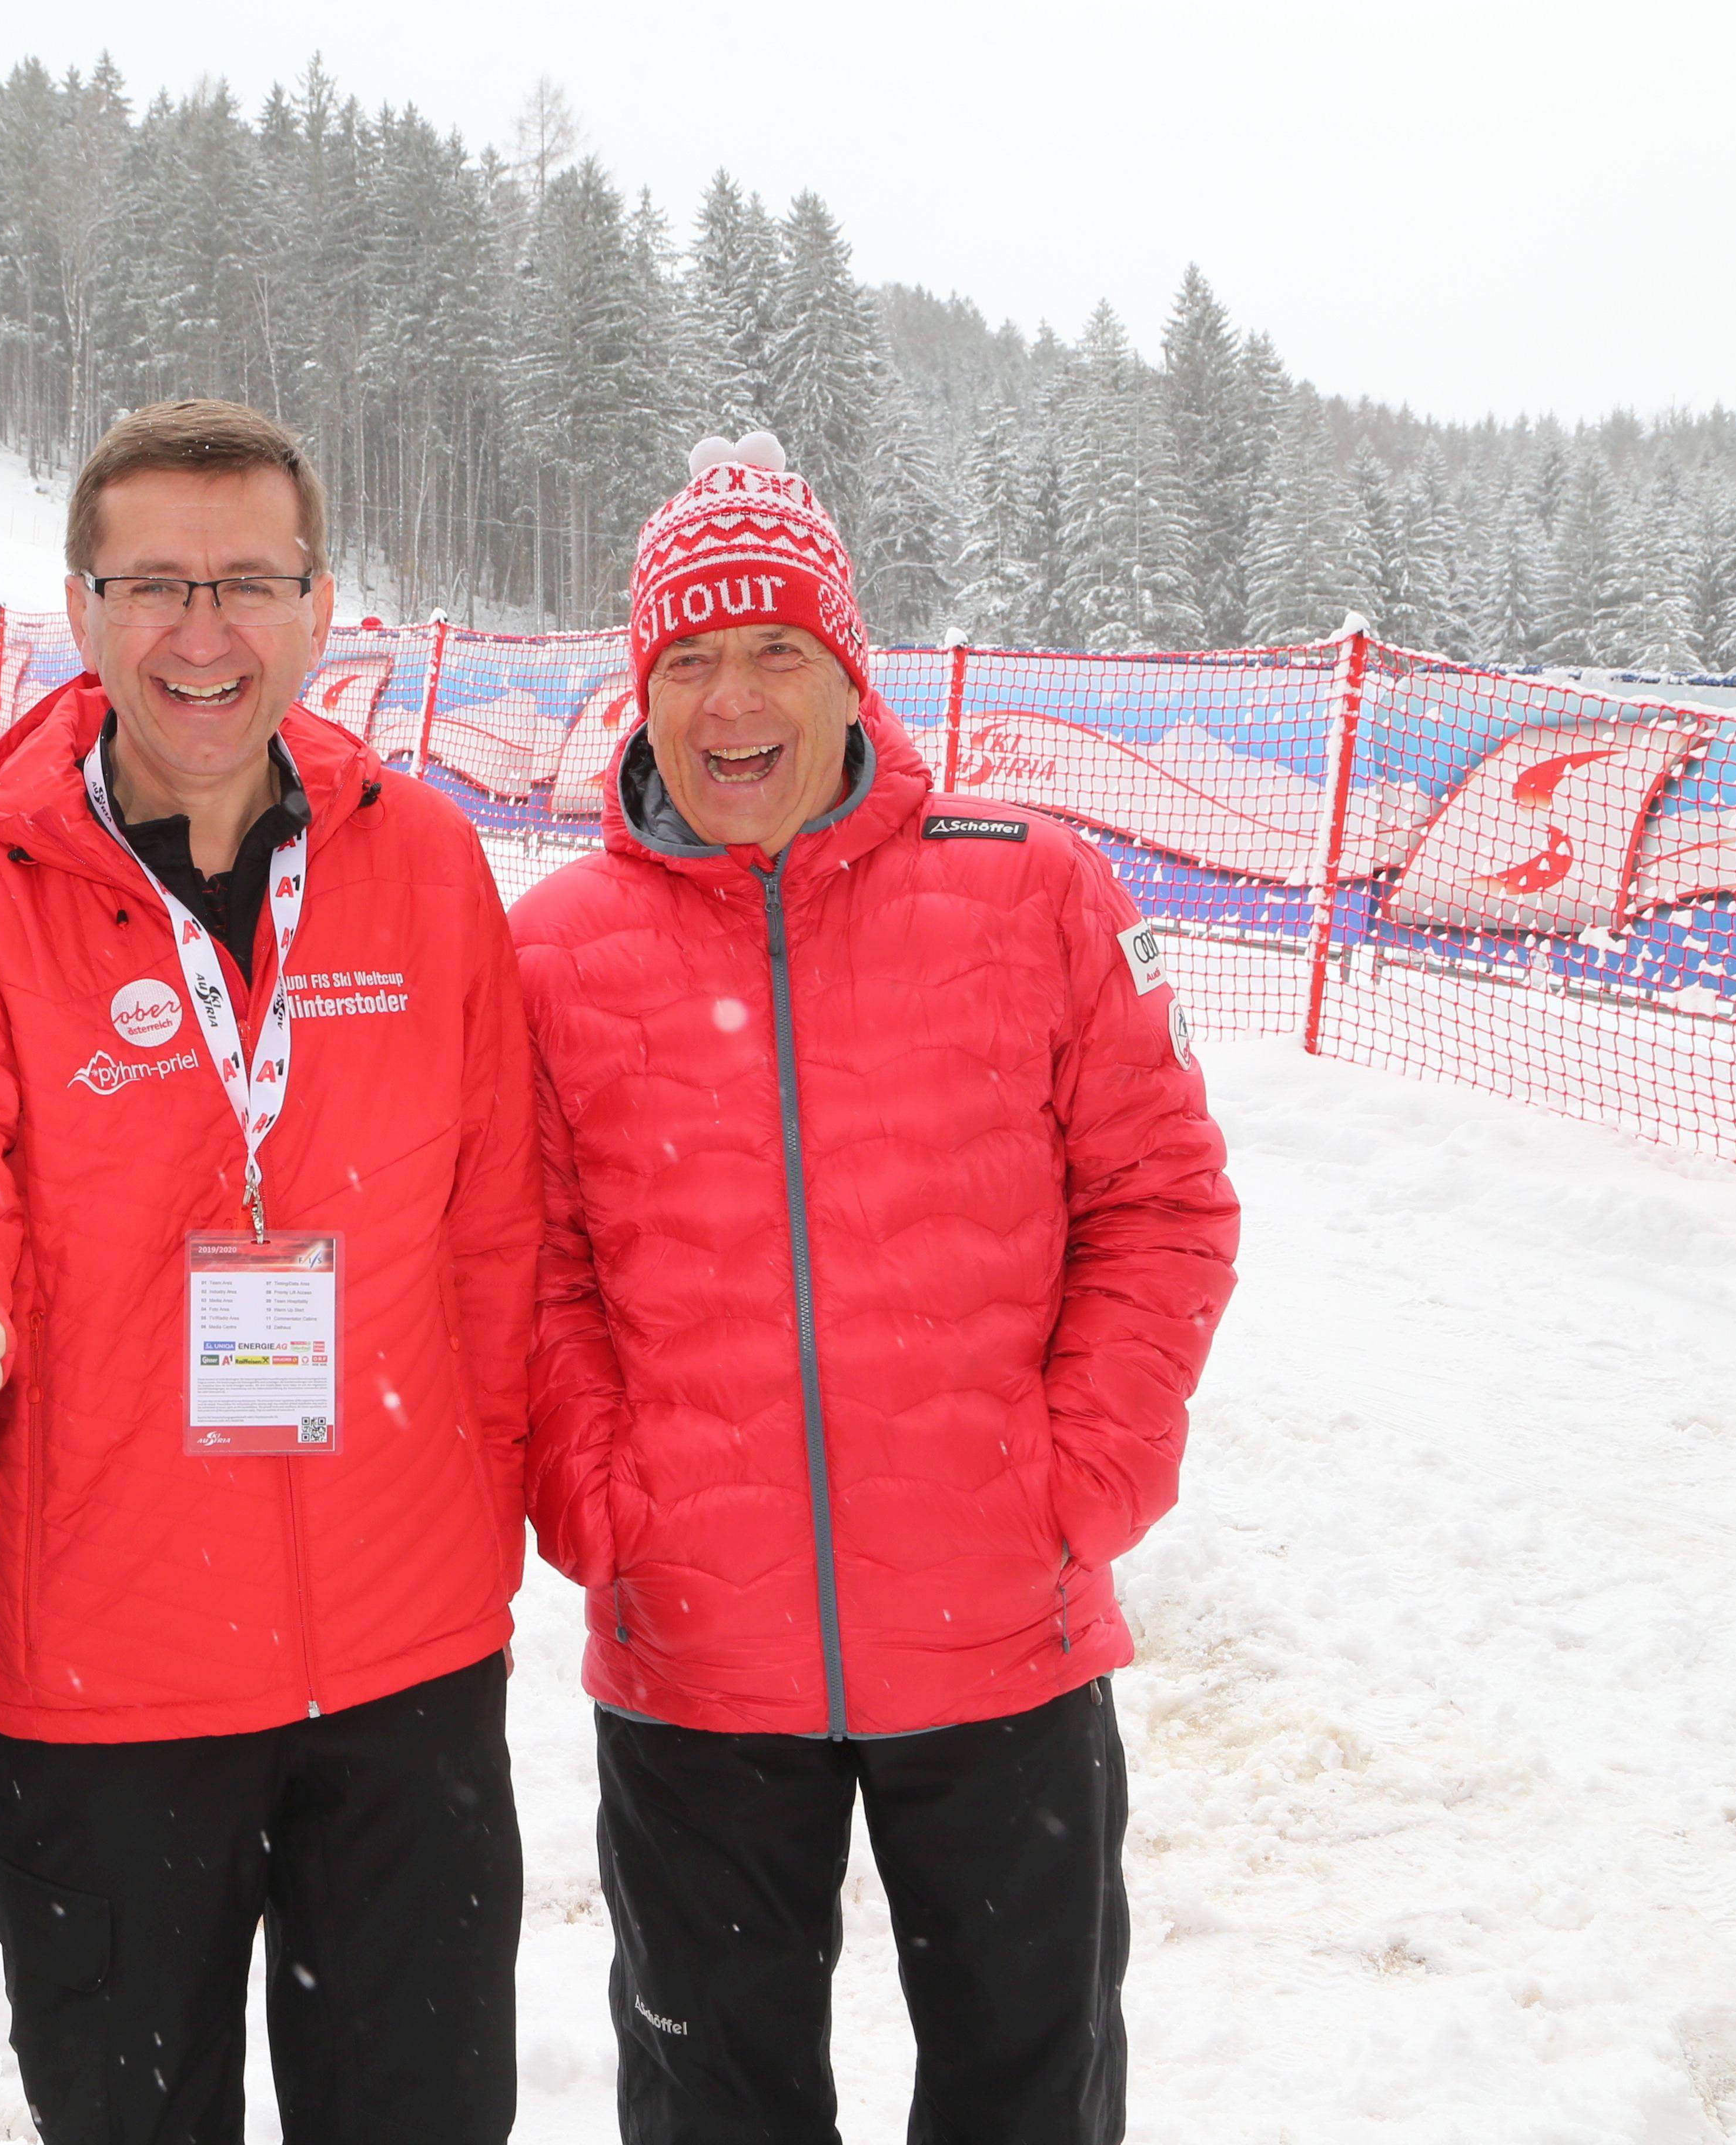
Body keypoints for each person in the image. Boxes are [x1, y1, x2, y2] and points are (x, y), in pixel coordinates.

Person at [0, 398, 538, 2145]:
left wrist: (481, 1499)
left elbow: (504, 1235)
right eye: (152, 586)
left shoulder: (427, 863)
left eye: (246, 584)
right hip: (103, 1686)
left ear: (319, 604)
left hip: (407, 1669)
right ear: (80, 607)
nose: (200, 634)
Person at [512, 432, 1241, 2145]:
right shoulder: (551, 949)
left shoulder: (1033, 888)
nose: (733, 700)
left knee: (1025, 2095)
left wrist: (1084, 1472)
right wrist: (601, 1496)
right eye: (689, 660)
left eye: (778, 651)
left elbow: (1165, 1201)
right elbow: (526, 1269)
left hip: (1004, 1641)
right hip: (695, 1656)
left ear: (852, 673)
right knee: (716, 2104)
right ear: (641, 690)